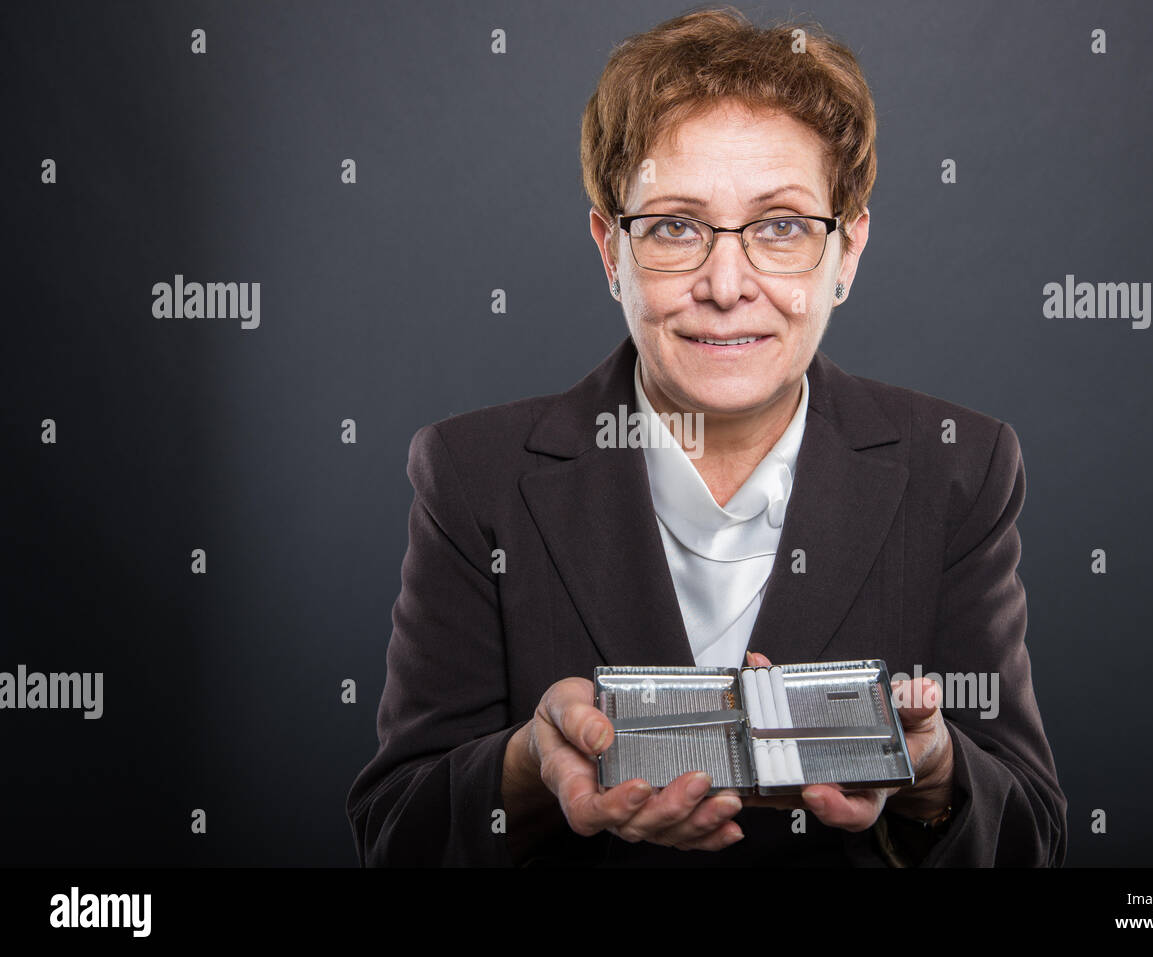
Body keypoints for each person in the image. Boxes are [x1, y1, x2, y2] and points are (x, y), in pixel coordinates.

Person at [346, 7, 1066, 866]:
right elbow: (394, 836)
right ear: (610, 248)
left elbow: (1033, 838)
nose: (727, 285)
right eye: (675, 227)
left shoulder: (961, 468)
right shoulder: (473, 475)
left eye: (784, 227)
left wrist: (935, 772)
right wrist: (529, 769)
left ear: (850, 252)